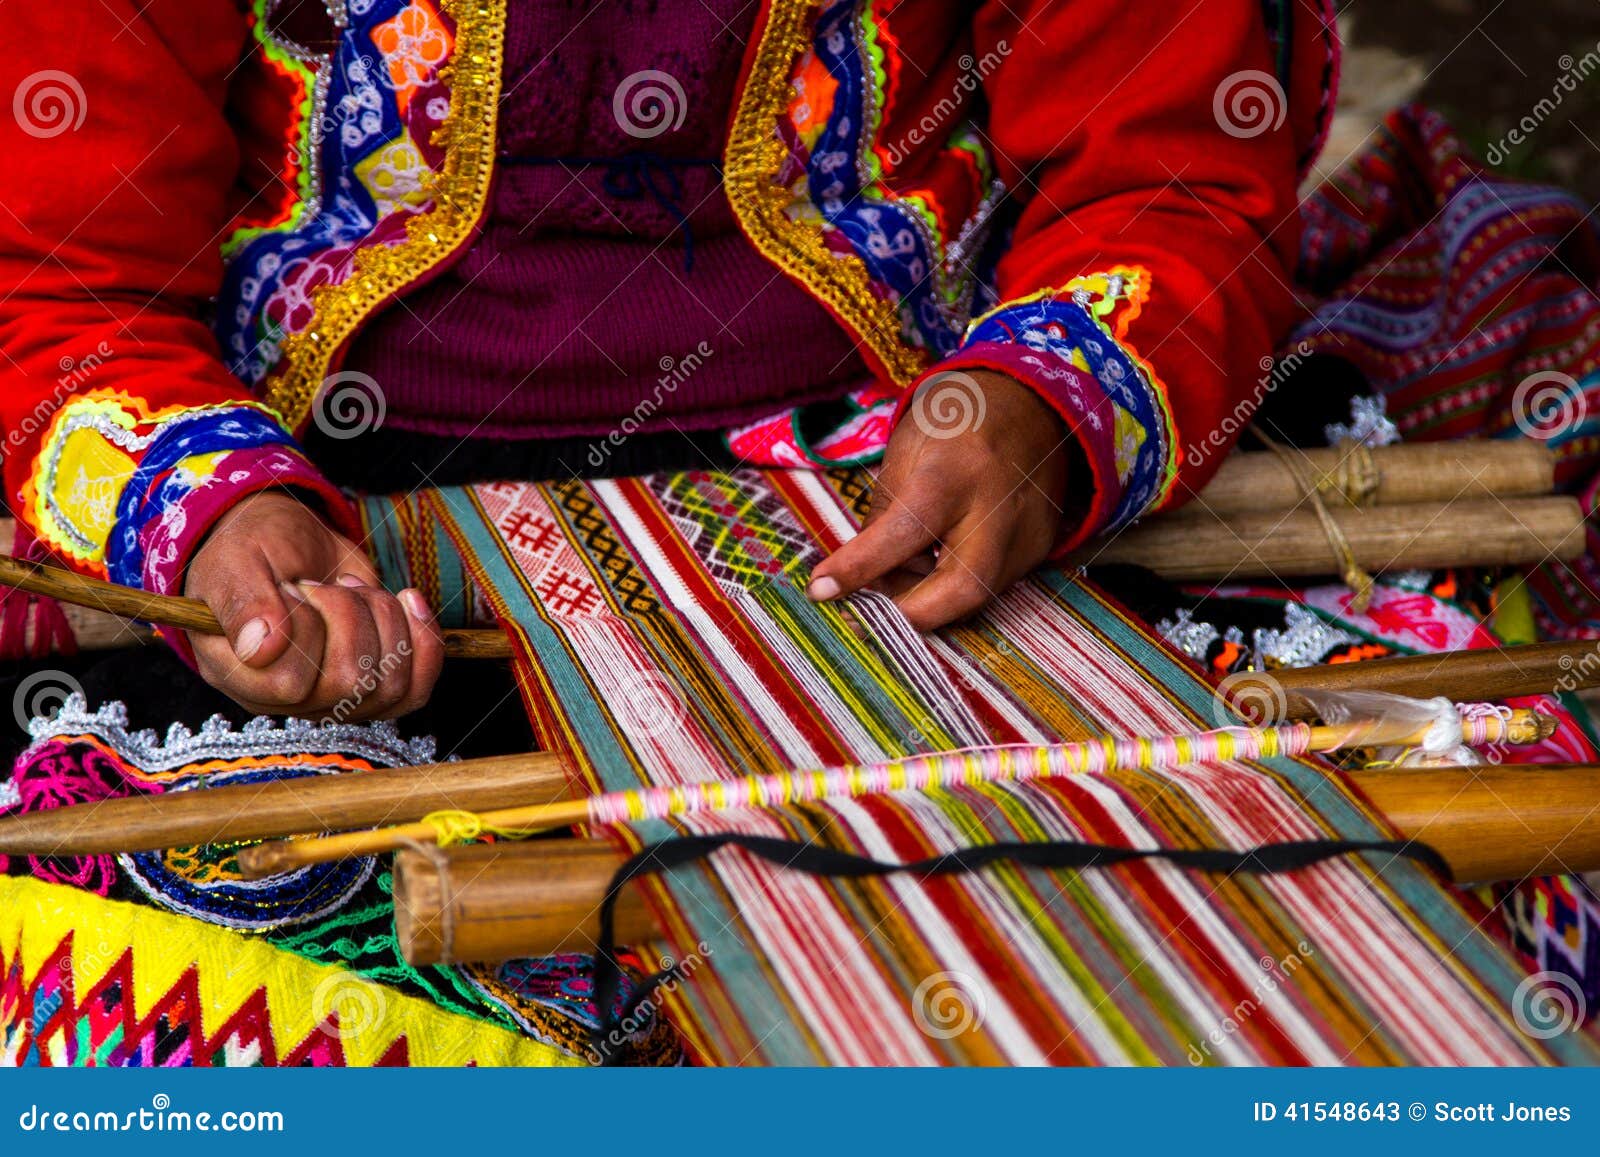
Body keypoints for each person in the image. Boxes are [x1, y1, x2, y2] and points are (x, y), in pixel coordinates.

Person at [0, 0, 1335, 721]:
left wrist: (1041, 402)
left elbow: (1175, 181)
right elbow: (60, 277)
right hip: (327, 501)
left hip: (897, 495)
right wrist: (206, 512)